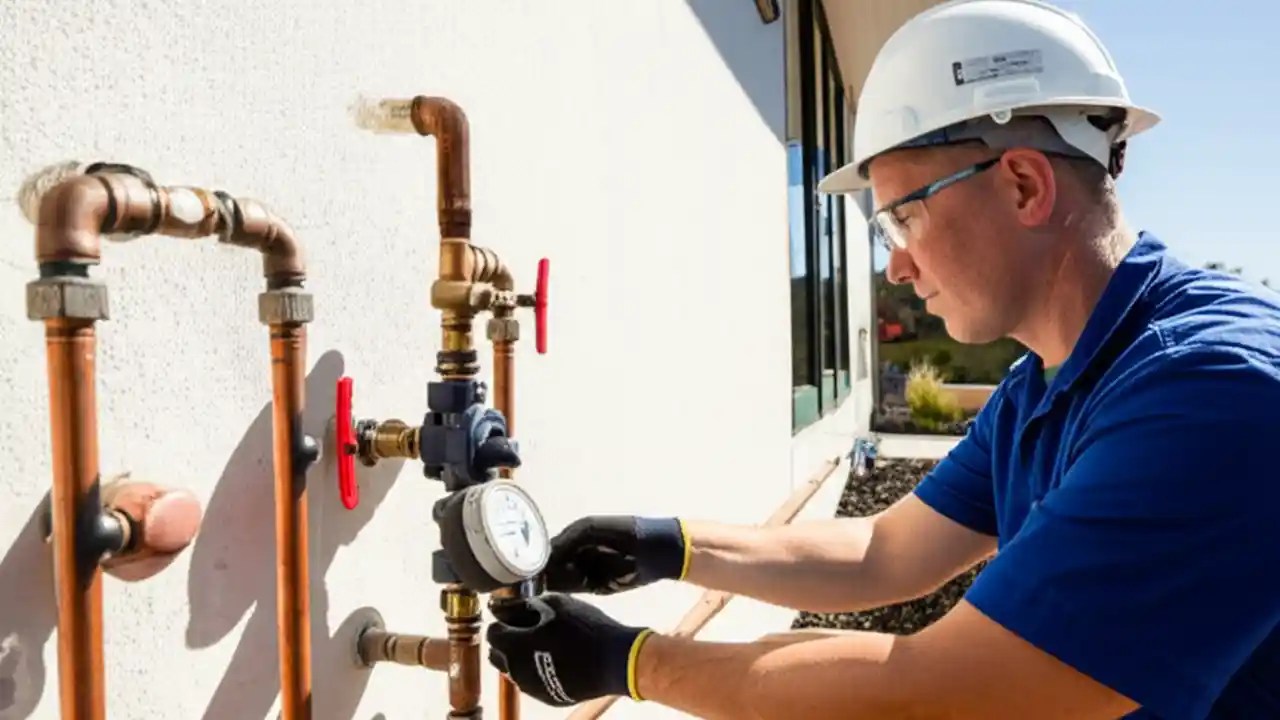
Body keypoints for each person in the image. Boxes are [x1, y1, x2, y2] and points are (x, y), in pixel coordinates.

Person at [485, 1, 1280, 717]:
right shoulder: (1047, 381)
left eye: (901, 219)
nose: (894, 267)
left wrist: (635, 663)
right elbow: (884, 553)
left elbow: (940, 693)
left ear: (1025, 186)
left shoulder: (1213, 395)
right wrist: (667, 545)